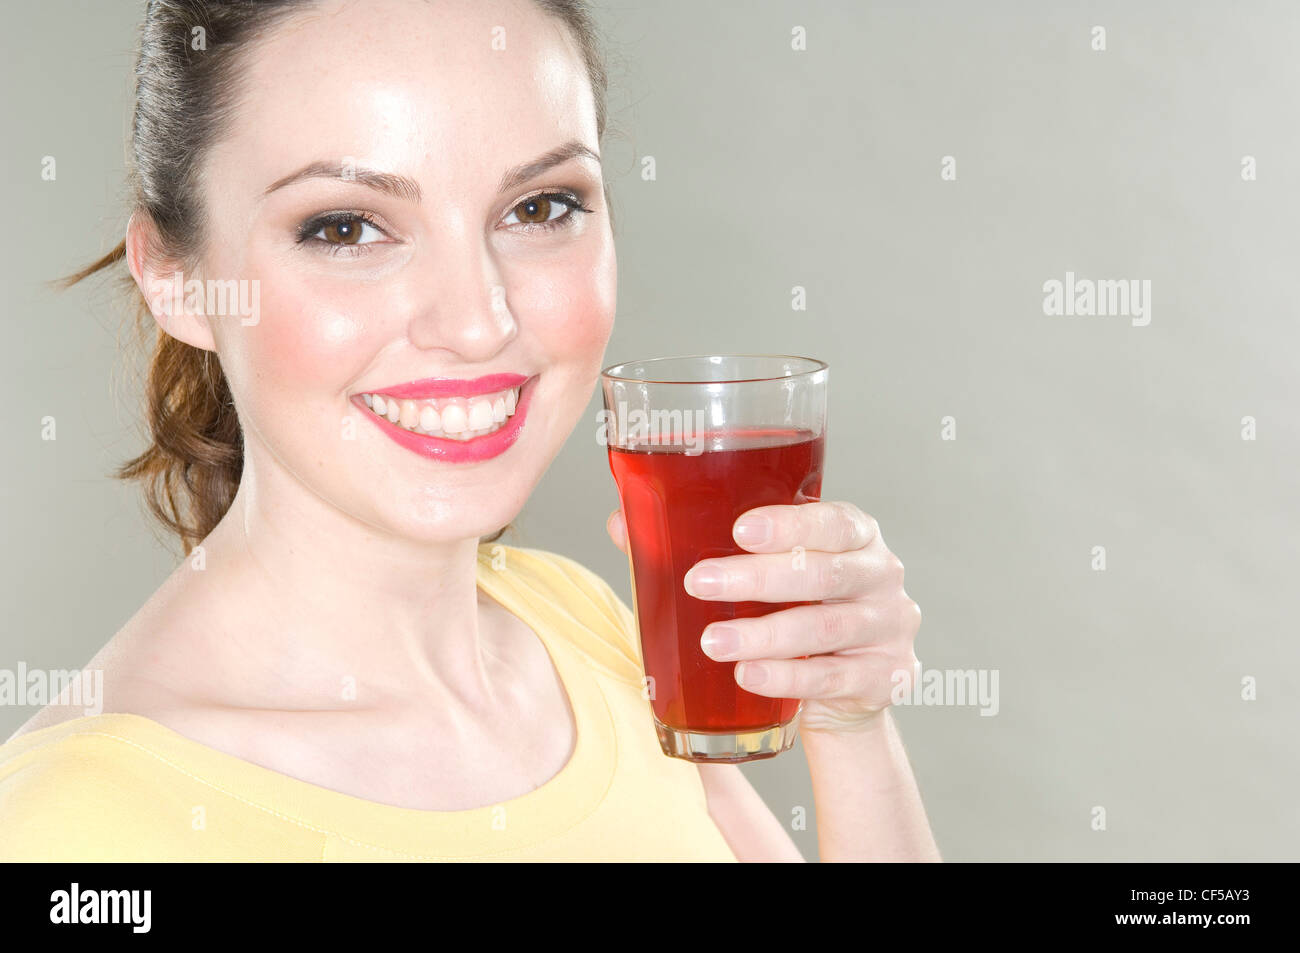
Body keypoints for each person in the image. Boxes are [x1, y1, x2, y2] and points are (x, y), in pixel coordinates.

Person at [0, 0, 938, 862]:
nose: (478, 319)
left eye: (539, 208)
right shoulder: (76, 832)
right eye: (344, 228)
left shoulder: (581, 627)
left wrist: (850, 728)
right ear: (175, 278)